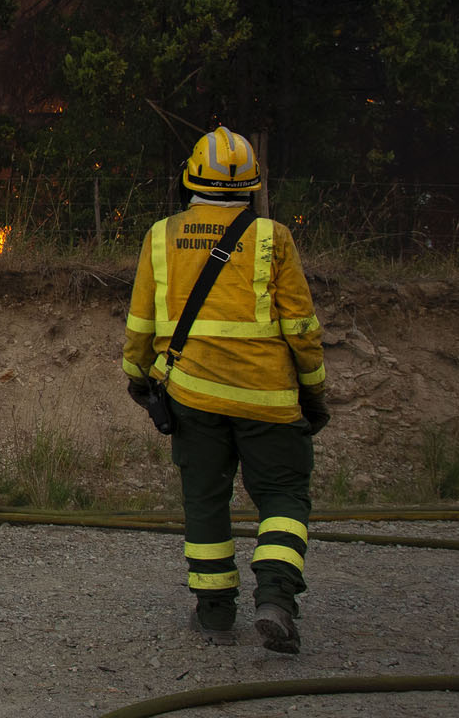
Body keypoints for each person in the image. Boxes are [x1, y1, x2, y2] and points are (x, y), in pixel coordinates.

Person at [123, 126, 329, 653]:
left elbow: (141, 321)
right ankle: (277, 598)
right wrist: (314, 393)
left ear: (189, 180)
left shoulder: (162, 235)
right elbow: (301, 328)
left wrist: (138, 376)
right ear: (253, 185)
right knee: (283, 497)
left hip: (192, 396)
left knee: (205, 501)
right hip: (269, 398)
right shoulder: (273, 236)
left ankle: (214, 615)